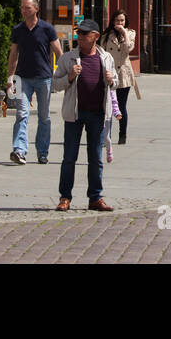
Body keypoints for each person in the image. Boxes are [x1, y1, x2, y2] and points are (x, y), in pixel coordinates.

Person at [52, 19, 115, 211]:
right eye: (78, 34)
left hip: (97, 114)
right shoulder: (68, 58)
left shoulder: (106, 58)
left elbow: (115, 82)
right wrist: (69, 76)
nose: (80, 37)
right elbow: (55, 84)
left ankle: (95, 197)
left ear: (95, 36)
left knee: (95, 157)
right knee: (69, 157)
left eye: (84, 34)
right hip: (74, 113)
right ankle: (65, 197)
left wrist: (112, 80)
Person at [6, 0, 62, 165]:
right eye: (22, 8)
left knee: (44, 117)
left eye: (27, 8)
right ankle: (19, 150)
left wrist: (63, 74)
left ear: (36, 9)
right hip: (23, 78)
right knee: (22, 114)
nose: (24, 11)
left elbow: (58, 52)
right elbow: (13, 54)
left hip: (44, 78)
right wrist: (10, 77)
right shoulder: (18, 30)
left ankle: (42, 152)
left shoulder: (47, 29)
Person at [101, 11, 136, 145]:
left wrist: (124, 33)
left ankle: (122, 134)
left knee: (121, 106)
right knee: (106, 105)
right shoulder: (106, 35)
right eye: (117, 20)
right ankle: (106, 135)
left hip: (123, 74)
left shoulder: (130, 33)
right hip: (108, 73)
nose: (119, 23)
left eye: (122, 21)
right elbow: (102, 52)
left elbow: (128, 48)